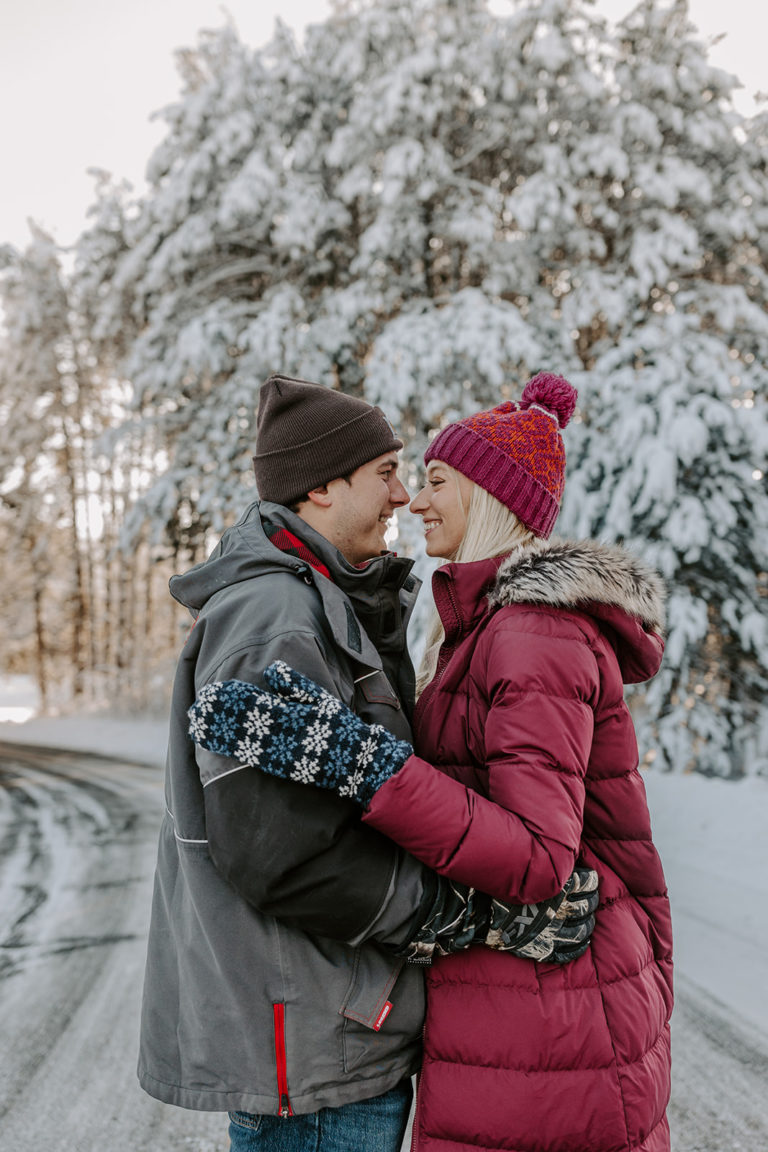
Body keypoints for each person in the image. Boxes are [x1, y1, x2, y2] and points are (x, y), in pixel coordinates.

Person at [189, 372, 674, 1152]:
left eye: (434, 481)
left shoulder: (527, 633)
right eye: (397, 475)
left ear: (485, 497)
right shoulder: (482, 627)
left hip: (546, 1017)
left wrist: (365, 766)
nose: (413, 499)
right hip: (517, 1012)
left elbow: (541, 857)